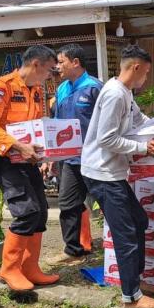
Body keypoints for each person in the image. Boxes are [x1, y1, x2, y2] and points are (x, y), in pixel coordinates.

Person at [81, 45, 154, 308]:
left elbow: (141, 120)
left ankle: (135, 283)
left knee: (139, 221)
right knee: (126, 233)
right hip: (102, 173)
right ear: (136, 67)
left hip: (113, 172)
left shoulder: (126, 93)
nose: (146, 78)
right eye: (147, 72)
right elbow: (106, 139)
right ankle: (131, 297)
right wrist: (143, 148)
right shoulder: (115, 94)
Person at [0, 45, 59, 292]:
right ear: (36, 64)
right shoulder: (2, 87)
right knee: (26, 212)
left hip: (26, 157)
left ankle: (29, 267)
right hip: (2, 157)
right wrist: (18, 146)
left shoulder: (36, 90)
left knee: (41, 212)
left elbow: (32, 126)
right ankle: (9, 269)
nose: (50, 76)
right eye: (49, 70)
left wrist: (44, 154)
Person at [46, 43, 103, 265]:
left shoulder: (95, 88)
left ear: (75, 62)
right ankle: (73, 250)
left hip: (96, 159)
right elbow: (57, 124)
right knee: (68, 203)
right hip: (69, 161)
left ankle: (117, 246)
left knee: (107, 203)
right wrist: (53, 157)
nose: (57, 67)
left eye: (61, 62)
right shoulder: (61, 89)